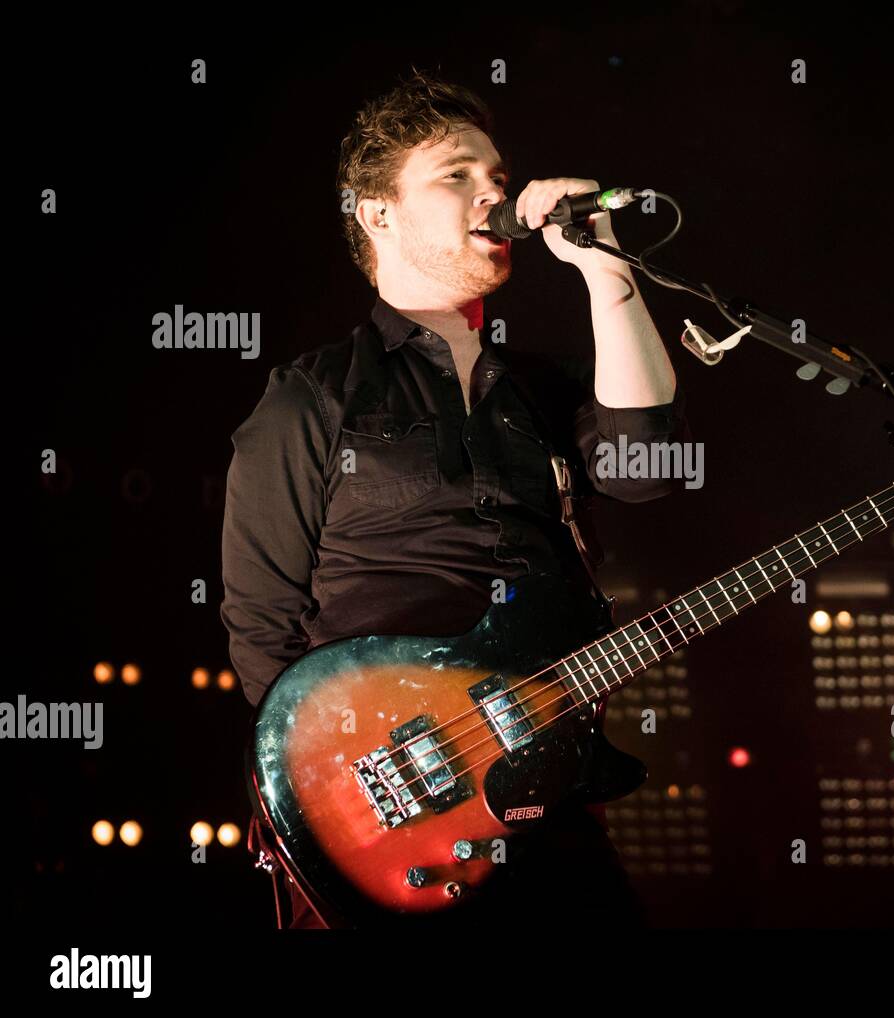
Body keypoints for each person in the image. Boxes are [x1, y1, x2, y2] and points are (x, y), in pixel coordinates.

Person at [220, 69, 689, 928]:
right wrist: (348, 810)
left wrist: (606, 272)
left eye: (499, 178)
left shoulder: (537, 387)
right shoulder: (313, 398)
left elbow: (645, 468)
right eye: (457, 176)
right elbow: (261, 635)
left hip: (541, 790)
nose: (494, 194)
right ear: (378, 212)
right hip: (385, 824)